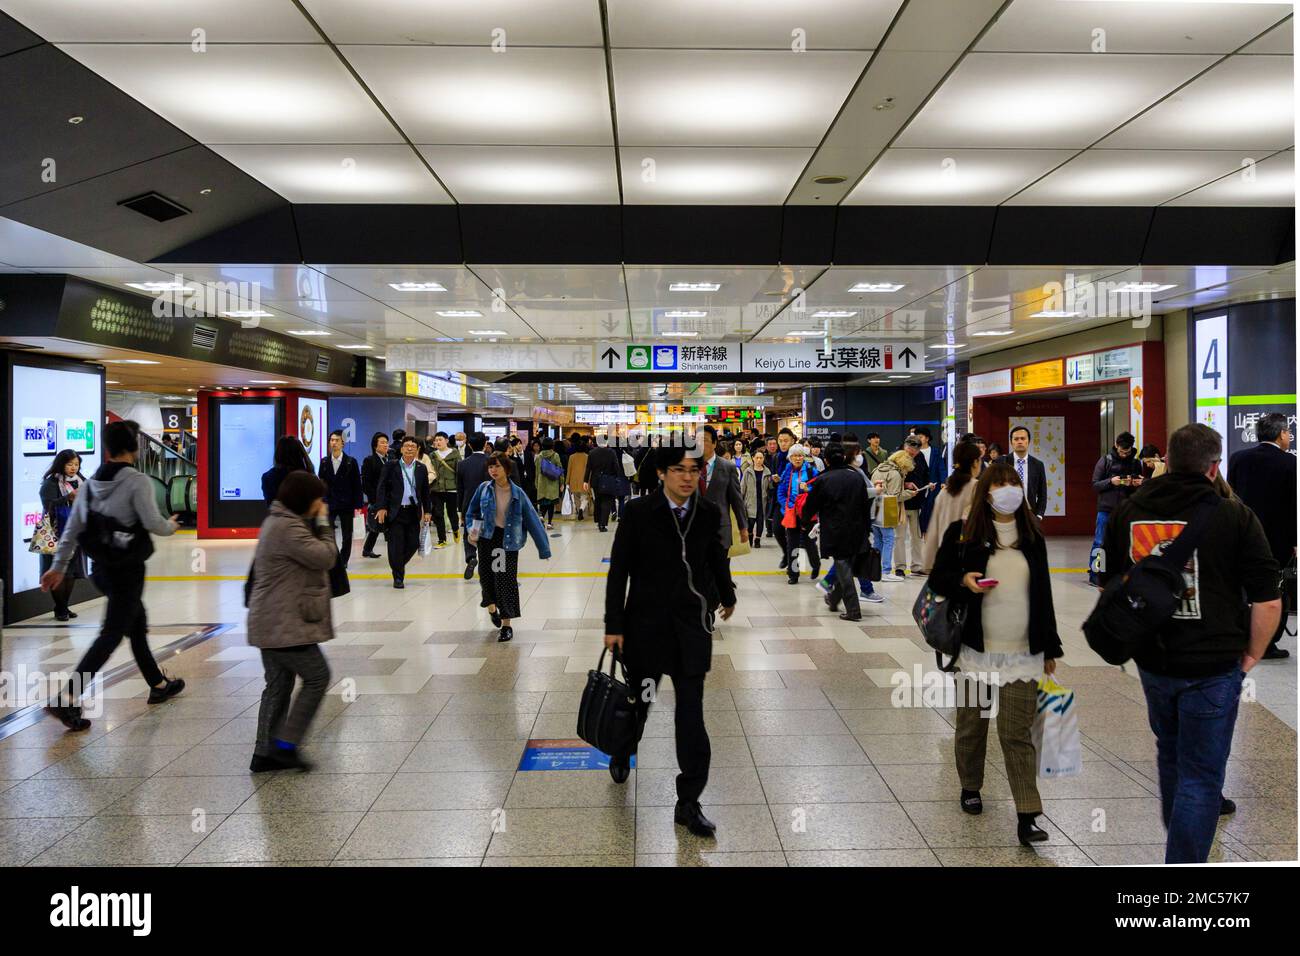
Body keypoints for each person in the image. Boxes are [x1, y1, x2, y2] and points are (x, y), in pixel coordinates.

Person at [1102, 423, 1281, 864]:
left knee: (1170, 750)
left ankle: (1180, 837)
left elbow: (1111, 581)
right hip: (1215, 665)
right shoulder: (1234, 514)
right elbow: (1268, 598)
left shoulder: (1131, 508)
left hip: (1154, 660)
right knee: (1202, 775)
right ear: (1213, 465)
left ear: (1169, 458)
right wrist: (1253, 655)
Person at [603, 445, 737, 838]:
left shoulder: (707, 513)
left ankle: (689, 800)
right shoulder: (638, 513)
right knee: (640, 702)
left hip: (692, 629)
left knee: (691, 714)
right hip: (645, 629)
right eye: (678, 469)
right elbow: (619, 571)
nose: (687, 477)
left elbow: (716, 558)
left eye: (693, 470)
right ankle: (622, 747)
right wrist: (614, 624)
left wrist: (727, 595)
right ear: (661, 473)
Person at [930, 462, 1063, 846]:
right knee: (972, 724)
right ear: (987, 491)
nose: (1009, 490)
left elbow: (1045, 597)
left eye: (1014, 483)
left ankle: (1027, 815)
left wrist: (1049, 648)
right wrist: (963, 580)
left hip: (1023, 652)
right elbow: (938, 577)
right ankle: (970, 785)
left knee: (1016, 733)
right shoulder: (964, 533)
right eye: (1001, 484)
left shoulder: (1032, 536)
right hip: (975, 650)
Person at [41, 420, 183, 731]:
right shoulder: (137, 481)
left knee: (136, 624)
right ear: (133, 447)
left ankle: (158, 684)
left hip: (102, 569)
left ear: (107, 448)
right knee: (111, 635)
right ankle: (67, 697)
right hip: (127, 569)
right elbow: (153, 522)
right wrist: (171, 525)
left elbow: (73, 531)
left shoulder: (89, 484)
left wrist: (58, 567)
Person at [246, 470, 337, 772]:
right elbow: (325, 557)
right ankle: (286, 745)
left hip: (271, 620)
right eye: (317, 499)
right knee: (318, 676)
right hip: (282, 624)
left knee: (278, 684)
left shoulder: (279, 521)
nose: (320, 504)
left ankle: (265, 752)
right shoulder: (288, 528)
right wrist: (324, 524)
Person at [1226, 412, 1295, 660]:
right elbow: (1293, 507)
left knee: (1241, 588)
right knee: (1273, 589)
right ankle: (1268, 643)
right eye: (1288, 432)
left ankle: (1241, 637)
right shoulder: (1291, 464)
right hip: (1277, 541)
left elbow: (1229, 497)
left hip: (1240, 535)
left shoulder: (1238, 459)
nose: (1289, 436)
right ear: (1280, 434)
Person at [465, 453, 552, 642]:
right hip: (487, 538)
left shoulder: (517, 493)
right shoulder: (484, 489)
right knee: (487, 578)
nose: (493, 471)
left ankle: (506, 625)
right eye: (490, 467)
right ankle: (492, 608)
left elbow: (532, 520)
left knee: (504, 580)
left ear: (507, 469)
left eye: (497, 467)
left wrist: (544, 549)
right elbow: (471, 512)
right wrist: (473, 530)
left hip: (505, 541)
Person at [801, 442, 871, 621]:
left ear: (826, 460)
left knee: (844, 568)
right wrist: (867, 528)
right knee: (845, 566)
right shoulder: (856, 477)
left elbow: (811, 505)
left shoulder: (823, 479)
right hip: (857, 529)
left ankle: (853, 610)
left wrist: (804, 522)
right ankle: (832, 599)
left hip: (835, 530)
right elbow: (865, 504)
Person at [373, 437, 431, 589]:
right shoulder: (391, 466)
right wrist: (381, 507)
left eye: (413, 446)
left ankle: (397, 565)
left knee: (413, 544)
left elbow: (425, 491)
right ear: (401, 449)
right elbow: (382, 487)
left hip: (413, 511)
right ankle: (398, 577)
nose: (410, 449)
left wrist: (428, 511)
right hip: (395, 512)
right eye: (407, 446)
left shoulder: (421, 468)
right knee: (396, 545)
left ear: (417, 449)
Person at [1089, 431, 1143, 586]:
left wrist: (1134, 484)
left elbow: (1139, 487)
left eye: (1127, 452)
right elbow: (1095, 485)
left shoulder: (1135, 463)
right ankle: (1095, 575)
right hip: (1105, 510)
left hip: (1126, 510)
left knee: (1125, 543)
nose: (1124, 455)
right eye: (1121, 451)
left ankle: (1121, 574)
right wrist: (1111, 482)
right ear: (1116, 446)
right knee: (1100, 543)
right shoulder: (1105, 460)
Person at [38, 450, 87, 621]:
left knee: (71, 572)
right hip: (55, 532)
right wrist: (68, 497)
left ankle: (63, 606)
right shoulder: (51, 482)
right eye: (69, 464)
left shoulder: (81, 481)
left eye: (76, 464)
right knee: (57, 569)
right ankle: (60, 608)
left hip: (75, 531)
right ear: (61, 464)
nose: (73, 468)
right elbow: (47, 504)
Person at [921, 441, 983, 574]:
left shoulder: (945, 491)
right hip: (969, 558)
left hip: (945, 556)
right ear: (975, 462)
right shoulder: (977, 488)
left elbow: (933, 529)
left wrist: (929, 561)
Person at [696, 425, 749, 558]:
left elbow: (736, 500)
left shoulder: (727, 467)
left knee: (720, 573)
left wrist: (743, 527)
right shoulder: (689, 466)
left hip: (720, 529)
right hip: (695, 529)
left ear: (714, 443)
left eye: (704, 440)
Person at [870, 445, 918, 583]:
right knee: (889, 539)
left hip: (874, 507)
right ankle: (885, 571)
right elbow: (895, 496)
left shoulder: (878, 468)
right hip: (887, 509)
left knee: (878, 541)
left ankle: (875, 569)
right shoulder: (895, 474)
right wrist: (910, 493)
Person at [316, 428, 362, 568]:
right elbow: (321, 482)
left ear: (343, 443)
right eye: (331, 440)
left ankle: (344, 559)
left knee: (347, 534)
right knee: (328, 532)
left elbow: (357, 484)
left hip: (346, 503)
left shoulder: (350, 462)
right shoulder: (324, 462)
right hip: (329, 502)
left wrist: (358, 505)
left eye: (337, 440)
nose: (333, 443)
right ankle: (333, 557)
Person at [776, 443, 820, 584]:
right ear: (790, 457)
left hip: (807, 513)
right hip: (791, 513)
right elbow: (781, 492)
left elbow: (819, 489)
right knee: (792, 544)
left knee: (809, 542)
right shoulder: (787, 471)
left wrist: (808, 490)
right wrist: (786, 505)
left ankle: (816, 565)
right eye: (795, 455)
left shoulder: (811, 471)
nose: (798, 458)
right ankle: (793, 574)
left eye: (800, 455)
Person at [456, 432, 491, 579]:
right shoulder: (492, 462)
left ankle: (471, 557)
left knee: (472, 534)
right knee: (490, 536)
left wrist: (461, 510)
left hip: (471, 508)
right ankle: (489, 565)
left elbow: (460, 489)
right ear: (485, 444)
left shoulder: (463, 464)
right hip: (490, 507)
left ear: (469, 445)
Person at [998, 425, 1047, 520]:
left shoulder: (1038, 465)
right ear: (1011, 442)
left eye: (1023, 438)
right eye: (1016, 439)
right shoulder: (1001, 462)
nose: (1019, 441)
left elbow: (1042, 493)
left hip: (1030, 515)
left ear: (1028, 441)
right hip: (1005, 514)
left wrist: (1039, 515)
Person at [901, 429, 932, 576]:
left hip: (916, 502)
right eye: (911, 448)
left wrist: (928, 485)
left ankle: (917, 565)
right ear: (905, 446)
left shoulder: (920, 458)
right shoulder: (897, 457)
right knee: (899, 536)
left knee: (917, 536)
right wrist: (905, 484)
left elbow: (925, 475)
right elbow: (891, 479)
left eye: (916, 449)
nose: (913, 452)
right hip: (901, 502)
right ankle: (900, 567)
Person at [427, 432, 462, 549]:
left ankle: (456, 530)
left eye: (440, 440)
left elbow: (459, 471)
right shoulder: (432, 455)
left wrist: (459, 486)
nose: (437, 442)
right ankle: (442, 539)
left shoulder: (455, 454)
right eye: (436, 440)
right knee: (438, 514)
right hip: (436, 489)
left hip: (452, 488)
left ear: (446, 441)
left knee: (452, 513)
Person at [360, 432, 389, 559]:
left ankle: (367, 549)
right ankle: (367, 549)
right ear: (375, 445)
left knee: (382, 524)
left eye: (386, 442)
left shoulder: (389, 459)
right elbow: (366, 483)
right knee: (377, 524)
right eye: (382, 442)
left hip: (389, 498)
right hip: (377, 498)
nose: (385, 445)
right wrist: (374, 499)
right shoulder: (369, 460)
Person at [584, 437, 621, 532]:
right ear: (607, 442)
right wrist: (617, 477)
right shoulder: (611, 452)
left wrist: (585, 481)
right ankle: (602, 524)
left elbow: (588, 468)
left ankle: (598, 520)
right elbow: (616, 467)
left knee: (598, 500)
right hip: (608, 481)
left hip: (595, 481)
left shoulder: (592, 452)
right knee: (607, 501)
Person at [261, 435, 312, 505]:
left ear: (278, 454)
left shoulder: (267, 478)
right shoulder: (308, 478)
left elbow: (270, 504)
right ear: (300, 455)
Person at [741, 448, 770, 548]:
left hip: (762, 501)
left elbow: (770, 488)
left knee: (761, 522)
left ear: (763, 459)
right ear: (753, 458)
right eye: (757, 458)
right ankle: (750, 536)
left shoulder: (767, 472)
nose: (759, 460)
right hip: (750, 501)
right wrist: (740, 499)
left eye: (761, 458)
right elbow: (742, 487)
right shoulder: (748, 471)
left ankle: (757, 539)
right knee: (750, 522)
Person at [534, 436, 565, 529]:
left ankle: (542, 516)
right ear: (552, 445)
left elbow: (537, 471)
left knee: (543, 503)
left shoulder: (539, 456)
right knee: (551, 504)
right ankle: (549, 523)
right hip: (553, 483)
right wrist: (562, 482)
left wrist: (536, 483)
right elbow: (559, 469)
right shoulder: (555, 455)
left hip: (542, 483)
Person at [566, 436, 591, 521]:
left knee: (576, 497)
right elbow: (589, 470)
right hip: (584, 480)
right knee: (585, 497)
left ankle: (578, 509)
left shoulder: (571, 457)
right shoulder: (587, 457)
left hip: (574, 480)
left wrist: (567, 481)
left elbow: (569, 469)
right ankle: (581, 509)